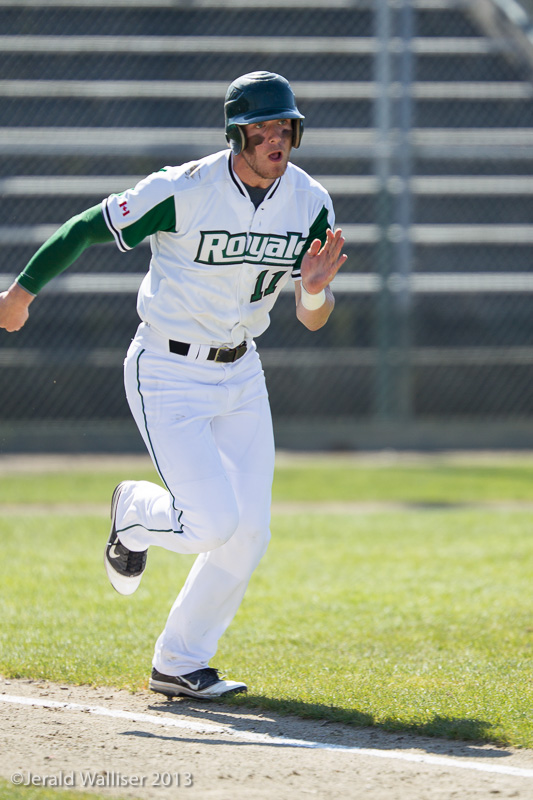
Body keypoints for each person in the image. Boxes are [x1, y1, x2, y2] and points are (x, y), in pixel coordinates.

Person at [0, 71, 347, 700]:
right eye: (262, 128)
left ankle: (180, 661)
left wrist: (317, 287)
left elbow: (311, 316)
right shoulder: (185, 188)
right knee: (213, 524)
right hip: (168, 368)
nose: (276, 138)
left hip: (242, 370)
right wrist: (20, 295)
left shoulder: (310, 201)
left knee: (250, 534)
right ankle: (133, 513)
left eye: (284, 127)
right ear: (236, 134)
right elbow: (86, 226)